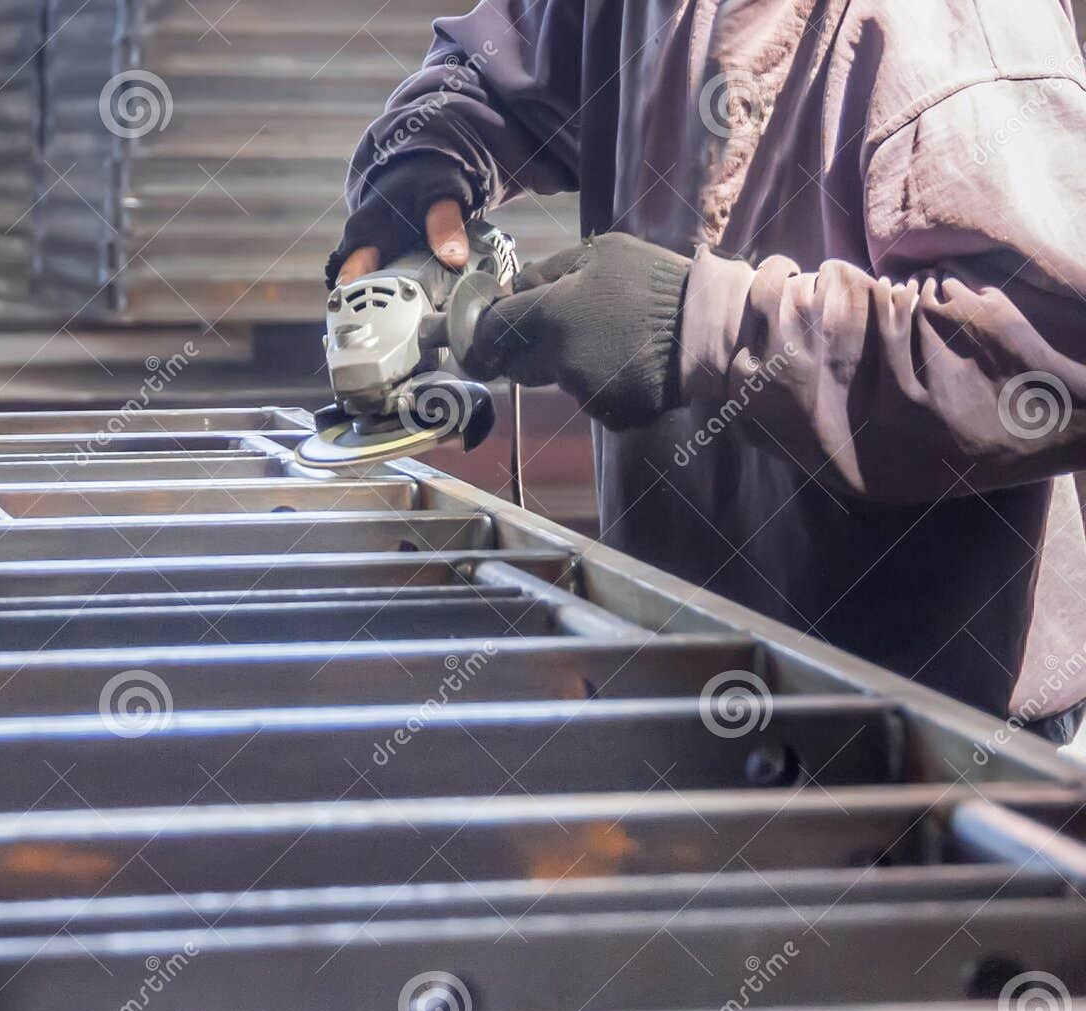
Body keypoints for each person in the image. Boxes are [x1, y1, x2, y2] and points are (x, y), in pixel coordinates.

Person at [329, 0, 1086, 740]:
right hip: (677, 673)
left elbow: (1049, 354)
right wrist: (425, 157)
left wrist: (698, 325)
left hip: (933, 738)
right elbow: (499, 65)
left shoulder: (960, 26)